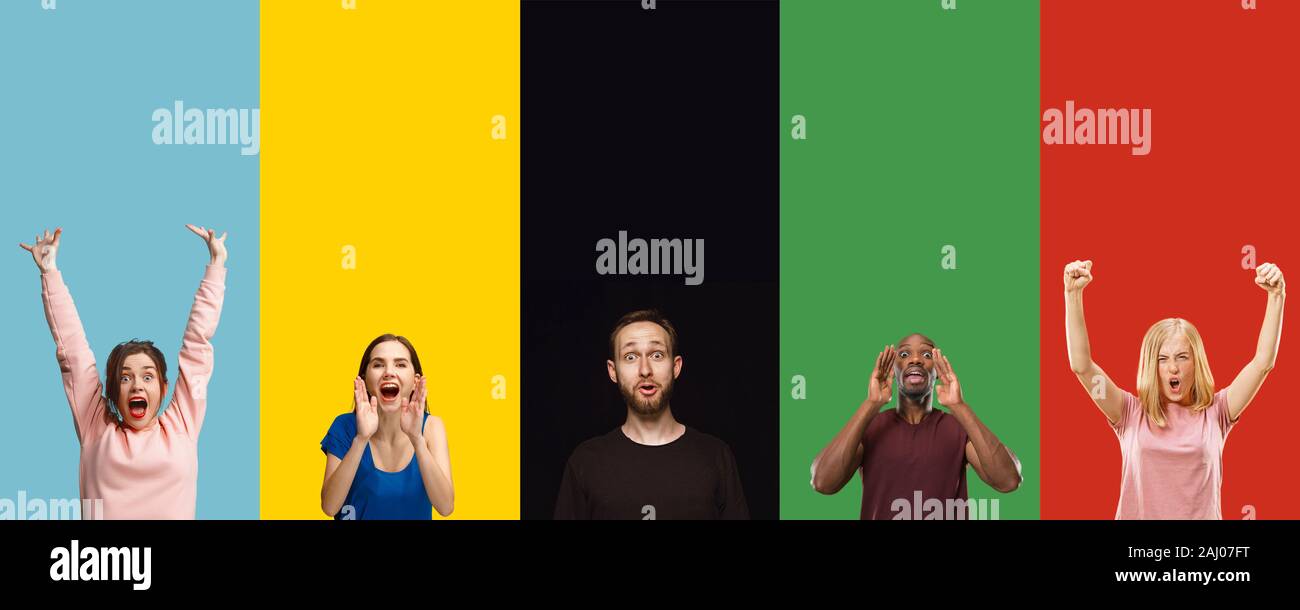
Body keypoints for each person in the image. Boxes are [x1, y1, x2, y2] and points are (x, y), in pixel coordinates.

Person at [18, 225, 227, 519]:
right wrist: (49, 272)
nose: (137, 386)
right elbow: (73, 351)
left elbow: (197, 344)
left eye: (147, 376)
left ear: (164, 389)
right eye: (125, 378)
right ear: (114, 390)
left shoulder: (182, 424)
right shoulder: (95, 427)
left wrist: (216, 267)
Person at [1063, 260, 1284, 519]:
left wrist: (1276, 295)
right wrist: (1072, 293)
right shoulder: (1128, 414)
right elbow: (1082, 368)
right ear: (1151, 366)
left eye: (1182, 357)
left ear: (1196, 362)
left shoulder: (1218, 412)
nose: (1173, 368)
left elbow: (1262, 364)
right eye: (1162, 359)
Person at [554, 309, 748, 520]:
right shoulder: (585, 461)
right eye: (630, 357)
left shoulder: (716, 456)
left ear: (676, 367)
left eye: (657, 355)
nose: (645, 369)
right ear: (613, 371)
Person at [811, 334, 1022, 520]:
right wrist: (871, 404)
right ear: (893, 369)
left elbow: (1008, 481)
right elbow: (823, 482)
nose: (915, 359)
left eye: (927, 355)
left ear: (937, 371)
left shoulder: (958, 428)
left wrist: (960, 407)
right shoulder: (870, 428)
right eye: (903, 355)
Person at [321, 334, 454, 519]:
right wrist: (360, 440)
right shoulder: (343, 426)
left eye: (400, 364)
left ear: (415, 381)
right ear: (365, 380)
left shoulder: (432, 427)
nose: (389, 372)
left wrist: (417, 440)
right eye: (378, 364)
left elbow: (446, 507)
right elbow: (329, 507)